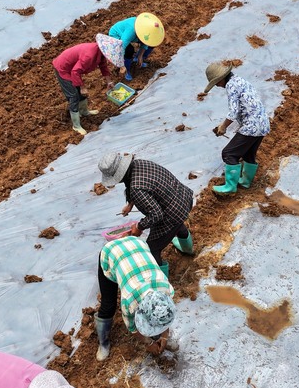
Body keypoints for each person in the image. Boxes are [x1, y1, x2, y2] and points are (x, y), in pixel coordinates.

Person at [97, 152, 193, 272]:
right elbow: (145, 185)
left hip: (173, 211)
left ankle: (161, 285)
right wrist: (130, 204)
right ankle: (189, 250)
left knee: (152, 249)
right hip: (183, 198)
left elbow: (156, 214)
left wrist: (139, 227)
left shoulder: (136, 189)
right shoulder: (139, 164)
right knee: (177, 224)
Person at [95, 235, 177, 362]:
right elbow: (133, 328)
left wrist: (165, 337)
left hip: (137, 245)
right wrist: (149, 344)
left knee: (157, 316)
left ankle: (160, 336)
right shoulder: (129, 302)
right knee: (108, 306)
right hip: (112, 253)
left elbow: (164, 314)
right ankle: (103, 344)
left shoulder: (167, 289)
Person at [203, 61, 270, 195]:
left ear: (221, 78)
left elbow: (233, 112)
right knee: (248, 154)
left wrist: (223, 127)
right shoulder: (239, 80)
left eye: (216, 83)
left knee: (228, 154)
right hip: (262, 123)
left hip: (251, 125)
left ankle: (230, 187)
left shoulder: (231, 86)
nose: (217, 86)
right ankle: (245, 182)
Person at [53, 34, 125, 135]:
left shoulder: (100, 53)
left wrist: (109, 81)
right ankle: (76, 125)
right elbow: (75, 72)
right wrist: (82, 86)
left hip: (73, 69)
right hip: (63, 69)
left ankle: (84, 112)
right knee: (74, 95)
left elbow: (103, 66)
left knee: (81, 92)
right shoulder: (89, 55)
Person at [108, 12, 165, 81]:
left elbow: (146, 41)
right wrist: (121, 65)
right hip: (117, 34)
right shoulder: (131, 31)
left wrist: (140, 56)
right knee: (129, 50)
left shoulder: (146, 29)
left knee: (151, 43)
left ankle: (136, 59)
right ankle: (127, 70)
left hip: (133, 35)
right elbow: (121, 47)